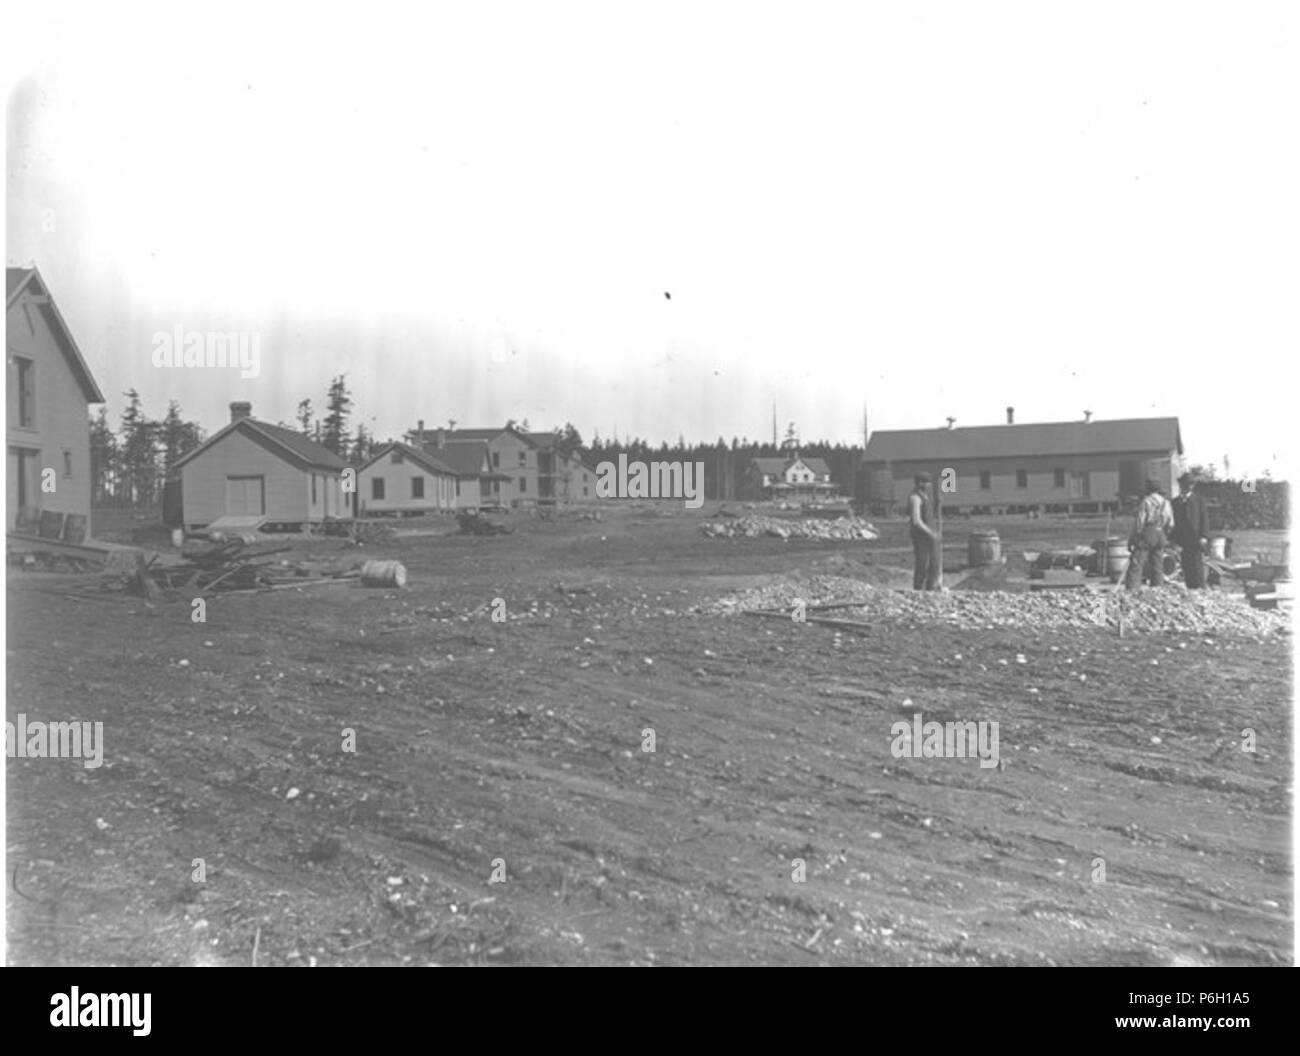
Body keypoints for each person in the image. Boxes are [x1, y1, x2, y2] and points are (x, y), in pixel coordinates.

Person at [1125, 478, 1174, 589]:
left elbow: (1139, 522)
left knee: (1137, 563)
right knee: (1158, 564)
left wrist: (1133, 538)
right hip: (1161, 533)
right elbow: (1171, 523)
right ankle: (1157, 589)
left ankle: (1133, 590)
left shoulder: (1146, 501)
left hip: (1148, 533)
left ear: (1149, 489)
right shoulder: (1166, 502)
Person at [1172, 472, 1210, 589]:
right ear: (1181, 485)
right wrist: (1174, 540)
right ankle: (1190, 588)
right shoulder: (1175, 502)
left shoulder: (1198, 500)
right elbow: (1173, 522)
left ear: (1192, 486)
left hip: (1196, 537)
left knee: (1197, 564)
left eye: (1190, 484)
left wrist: (1204, 536)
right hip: (1182, 538)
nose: (1187, 486)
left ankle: (1200, 588)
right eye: (1184, 484)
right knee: (1186, 564)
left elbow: (1204, 519)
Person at [908, 472, 941, 591]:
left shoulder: (926, 496)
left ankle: (931, 588)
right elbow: (916, 521)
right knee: (922, 563)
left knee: (934, 562)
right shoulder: (915, 498)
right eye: (927, 483)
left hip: (930, 536)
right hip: (921, 536)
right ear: (920, 483)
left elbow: (931, 513)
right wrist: (931, 533)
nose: (929, 485)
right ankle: (918, 589)